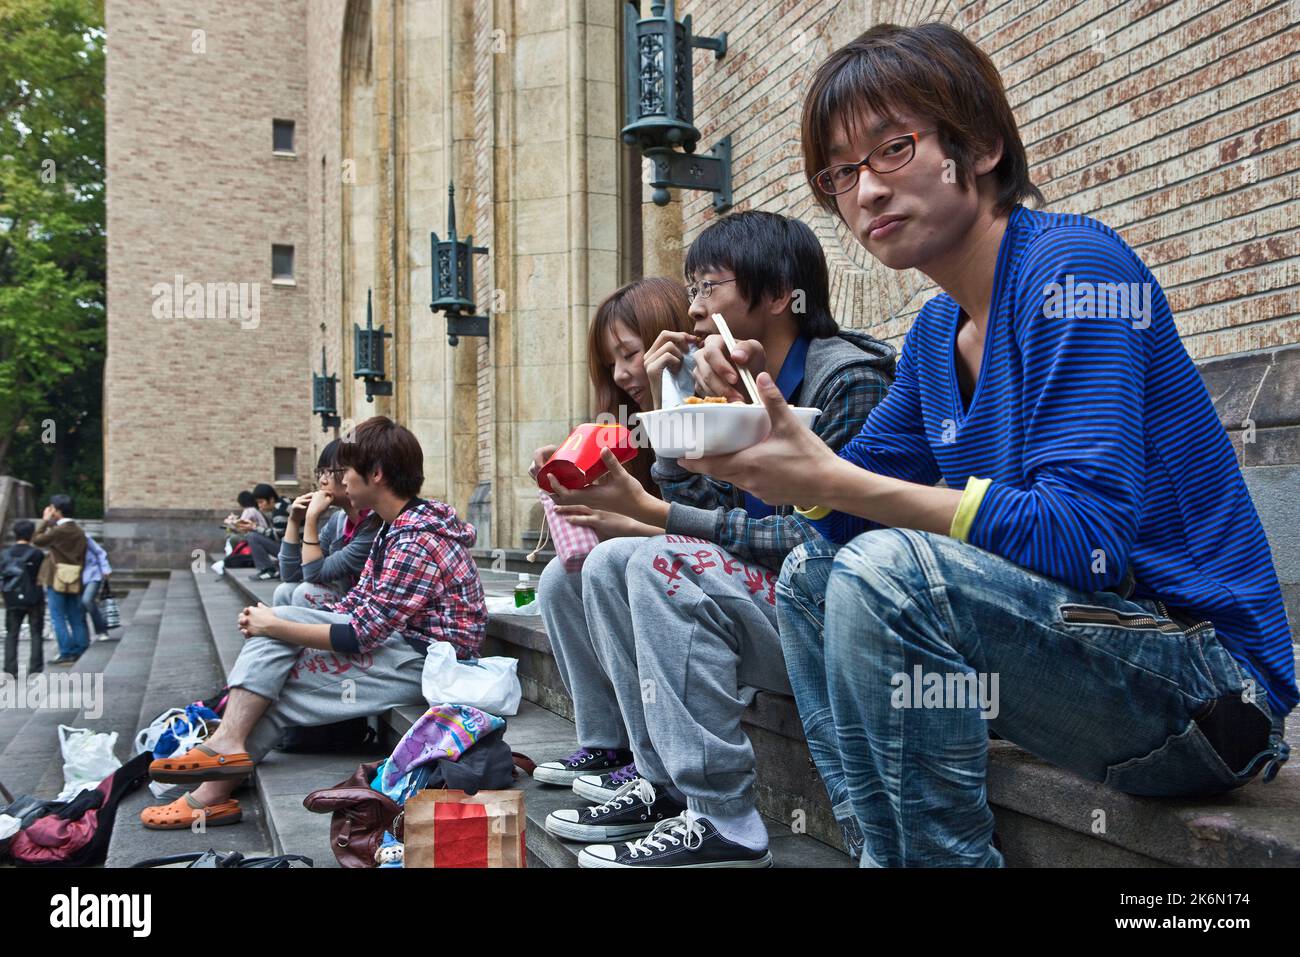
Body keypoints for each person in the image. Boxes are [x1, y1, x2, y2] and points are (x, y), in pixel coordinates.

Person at [680, 22, 1295, 867]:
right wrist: (767, 433)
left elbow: (1086, 537)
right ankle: (882, 852)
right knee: (816, 577)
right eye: (841, 172)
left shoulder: (1078, 275)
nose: (864, 191)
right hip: (1079, 662)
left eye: (893, 149)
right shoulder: (938, 332)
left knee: (892, 574)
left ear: (980, 148)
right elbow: (849, 516)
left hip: (1209, 693)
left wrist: (835, 482)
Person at [537, 210, 896, 867]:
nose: (694, 307)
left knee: (653, 559)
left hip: (830, 621)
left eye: (709, 286)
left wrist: (659, 514)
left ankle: (725, 815)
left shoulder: (848, 381)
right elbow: (716, 511)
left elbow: (823, 537)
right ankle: (666, 785)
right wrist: (678, 415)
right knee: (612, 560)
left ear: (781, 291)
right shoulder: (734, 381)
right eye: (691, 286)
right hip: (771, 606)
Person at [140, 416, 487, 830]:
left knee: (281, 681)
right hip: (400, 645)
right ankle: (224, 750)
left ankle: (211, 790)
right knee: (284, 615)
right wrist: (284, 624)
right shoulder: (397, 527)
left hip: (427, 662)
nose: (338, 481)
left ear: (375, 475)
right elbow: (356, 605)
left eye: (345, 472)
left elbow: (362, 633)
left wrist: (276, 629)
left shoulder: (414, 540)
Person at [273, 439, 381, 608]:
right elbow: (291, 574)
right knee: (284, 591)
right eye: (320, 472)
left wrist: (311, 519)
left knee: (306, 593)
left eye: (330, 472)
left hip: (370, 613)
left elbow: (313, 573)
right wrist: (294, 520)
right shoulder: (338, 521)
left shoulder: (375, 523)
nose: (322, 481)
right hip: (348, 599)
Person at [32, 494, 89, 665]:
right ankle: (81, 647)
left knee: (58, 616)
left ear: (57, 511)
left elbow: (37, 539)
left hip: (56, 577)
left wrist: (44, 521)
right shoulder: (79, 531)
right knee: (75, 615)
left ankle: (66, 651)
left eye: (52, 508)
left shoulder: (58, 531)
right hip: (74, 576)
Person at [2, 520, 47, 678]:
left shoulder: (5, 554)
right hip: (34, 597)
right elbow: (42, 576)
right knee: (36, 633)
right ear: (31, 534)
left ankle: (9, 670)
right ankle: (35, 670)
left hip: (12, 598)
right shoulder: (37, 554)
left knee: (11, 634)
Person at [246, 482, 292, 580]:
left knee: (252, 536)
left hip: (294, 551)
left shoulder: (279, 511)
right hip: (295, 548)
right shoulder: (283, 503)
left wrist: (254, 527)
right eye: (258, 503)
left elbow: (277, 536)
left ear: (271, 499)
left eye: (261, 502)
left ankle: (268, 570)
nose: (259, 506)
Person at [81, 534, 116, 642]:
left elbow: (99, 551)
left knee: (87, 600)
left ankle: (101, 630)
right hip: (76, 576)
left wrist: (105, 568)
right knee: (80, 606)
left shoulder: (84, 537)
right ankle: (83, 635)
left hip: (93, 573)